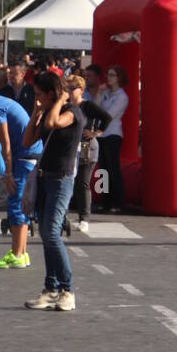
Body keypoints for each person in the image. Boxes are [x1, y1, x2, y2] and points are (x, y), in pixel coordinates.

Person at [23, 71, 84, 312]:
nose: (37, 99)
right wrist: (36, 112)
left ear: (51, 93)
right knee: (47, 235)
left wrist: (60, 99)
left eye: (40, 95)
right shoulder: (47, 110)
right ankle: (51, 289)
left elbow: (53, 124)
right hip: (44, 177)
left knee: (51, 233)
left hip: (61, 180)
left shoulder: (73, 113)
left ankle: (67, 290)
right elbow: (27, 141)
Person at [0, 68, 41, 268]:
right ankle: (22, 253)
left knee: (16, 205)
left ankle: (17, 254)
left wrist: (8, 174)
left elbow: (5, 144)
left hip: (24, 155)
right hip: (28, 154)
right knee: (21, 205)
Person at [65, 73, 111, 233]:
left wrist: (96, 132)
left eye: (72, 88)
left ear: (81, 89)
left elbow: (107, 117)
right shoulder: (66, 106)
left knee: (83, 183)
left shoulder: (88, 106)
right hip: (70, 147)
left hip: (87, 147)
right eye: (67, 88)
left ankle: (84, 218)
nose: (69, 91)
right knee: (68, 181)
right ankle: (64, 214)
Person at [95, 65, 129, 213]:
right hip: (101, 134)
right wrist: (99, 93)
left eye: (113, 75)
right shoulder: (105, 93)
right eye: (108, 74)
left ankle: (117, 202)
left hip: (113, 133)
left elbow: (109, 114)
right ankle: (104, 200)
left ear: (119, 78)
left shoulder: (122, 97)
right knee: (102, 169)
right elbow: (95, 108)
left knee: (112, 168)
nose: (109, 78)